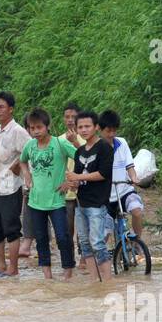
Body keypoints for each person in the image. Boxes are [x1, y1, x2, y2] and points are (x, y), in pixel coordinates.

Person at [19, 108, 77, 280]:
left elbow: (82, 158)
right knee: (41, 239)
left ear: (47, 126)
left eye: (39, 127)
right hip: (35, 201)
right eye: (32, 128)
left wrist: (71, 181)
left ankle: (67, 274)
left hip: (57, 201)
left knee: (63, 237)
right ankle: (48, 277)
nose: (36, 131)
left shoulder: (60, 144)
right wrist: (27, 174)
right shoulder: (30, 145)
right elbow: (22, 161)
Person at [0, 91, 31, 277]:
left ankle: (13, 267)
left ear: (11, 109)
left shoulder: (18, 131)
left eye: (2, 107)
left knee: (11, 227)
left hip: (11, 186)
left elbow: (31, 150)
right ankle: (1, 265)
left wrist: (18, 164)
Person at [66, 110, 114, 282]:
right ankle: (94, 281)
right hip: (81, 203)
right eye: (80, 127)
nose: (84, 130)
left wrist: (78, 177)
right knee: (85, 244)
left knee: (97, 242)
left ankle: (107, 281)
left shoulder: (104, 147)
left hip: (98, 203)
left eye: (87, 126)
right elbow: (78, 178)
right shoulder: (79, 152)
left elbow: (103, 174)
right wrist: (72, 183)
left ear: (96, 127)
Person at [99, 110, 145, 240]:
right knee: (105, 233)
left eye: (114, 131)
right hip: (105, 197)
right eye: (108, 131)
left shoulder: (122, 143)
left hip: (124, 191)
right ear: (100, 130)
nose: (112, 134)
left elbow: (129, 166)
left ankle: (137, 243)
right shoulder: (96, 148)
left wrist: (134, 177)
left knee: (136, 211)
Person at [59, 103, 84, 245]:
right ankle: (69, 254)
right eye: (67, 117)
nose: (70, 120)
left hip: (84, 188)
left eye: (73, 117)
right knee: (67, 228)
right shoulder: (59, 140)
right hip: (66, 190)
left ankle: (84, 253)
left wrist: (75, 142)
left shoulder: (86, 138)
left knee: (84, 228)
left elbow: (87, 159)